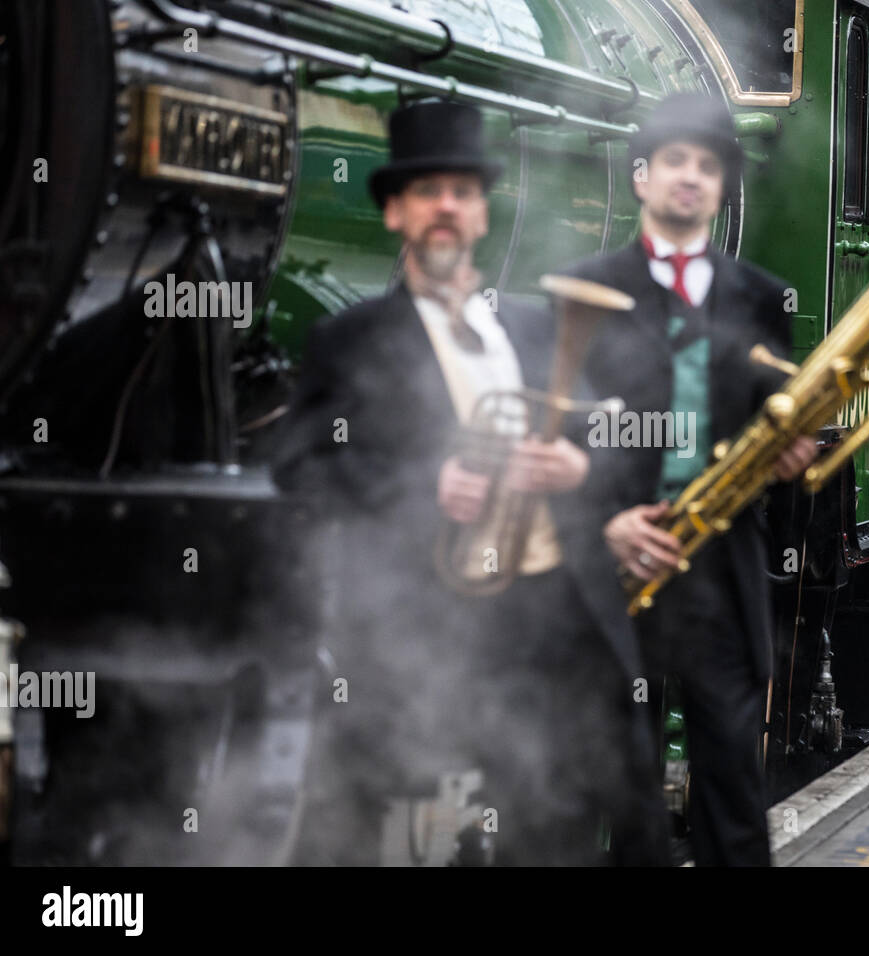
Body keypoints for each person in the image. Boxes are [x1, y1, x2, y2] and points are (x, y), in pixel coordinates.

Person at [271, 99, 667, 865]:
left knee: (553, 836)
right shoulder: (349, 340)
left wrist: (583, 471)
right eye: (426, 192)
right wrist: (424, 486)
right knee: (382, 833)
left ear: (484, 212)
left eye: (461, 190)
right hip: (430, 628)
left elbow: (612, 442)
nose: (446, 207)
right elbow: (297, 467)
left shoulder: (536, 328)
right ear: (395, 212)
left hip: (554, 625)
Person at [566, 93, 817, 866]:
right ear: (642, 178)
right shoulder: (585, 288)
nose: (691, 177)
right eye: (675, 161)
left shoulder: (761, 296)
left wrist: (791, 462)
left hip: (721, 563)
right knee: (620, 788)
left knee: (734, 784)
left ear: (721, 187)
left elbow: (774, 420)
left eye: (708, 166)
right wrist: (606, 523)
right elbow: (562, 431)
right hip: (620, 557)